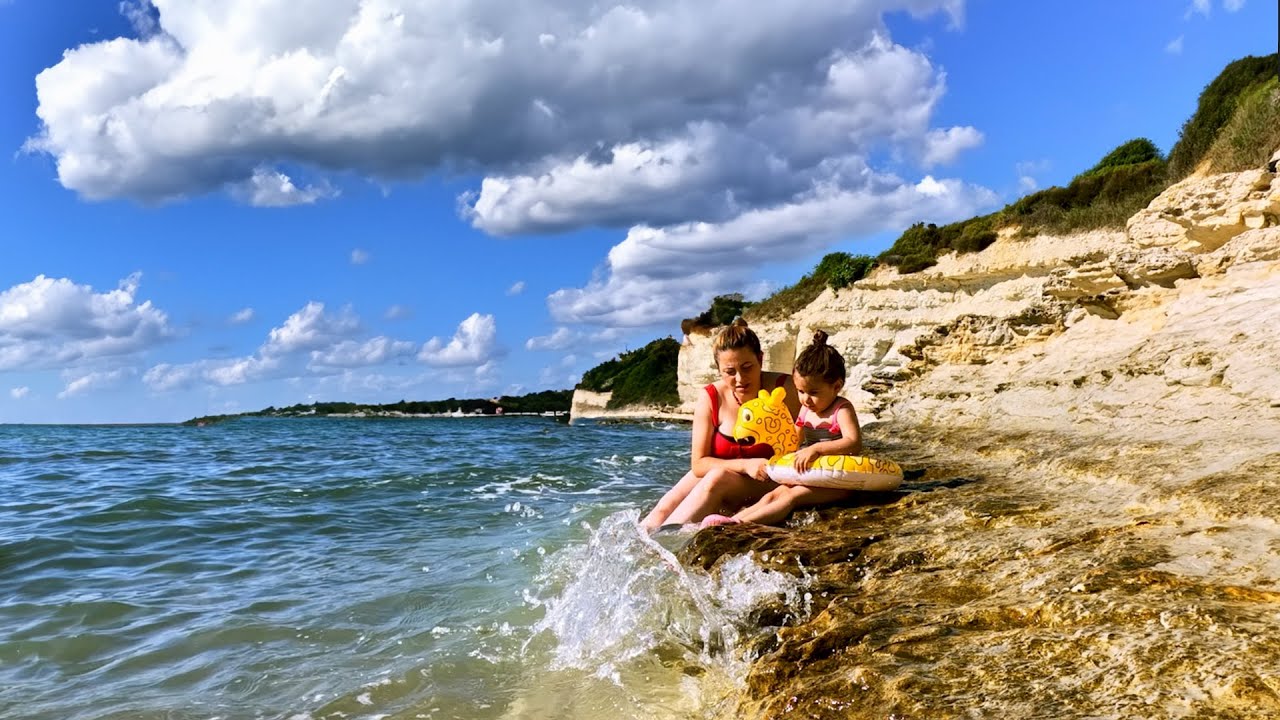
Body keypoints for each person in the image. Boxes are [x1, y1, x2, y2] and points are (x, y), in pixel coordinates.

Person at [639, 318, 799, 530]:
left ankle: (667, 544)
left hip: (767, 478)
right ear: (719, 369)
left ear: (760, 359)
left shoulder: (786, 390)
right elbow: (698, 464)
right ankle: (638, 554)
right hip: (728, 471)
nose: (740, 378)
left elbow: (810, 435)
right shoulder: (712, 396)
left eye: (747, 367)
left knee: (717, 478)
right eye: (730, 372)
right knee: (662, 509)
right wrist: (745, 464)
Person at [702, 329, 863, 527]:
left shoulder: (841, 409)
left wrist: (815, 449)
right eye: (801, 391)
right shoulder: (806, 410)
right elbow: (793, 439)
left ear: (836, 386)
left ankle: (740, 525)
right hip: (816, 473)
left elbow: (853, 442)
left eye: (813, 392)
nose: (805, 399)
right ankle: (732, 520)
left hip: (840, 479)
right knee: (776, 493)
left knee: (792, 496)